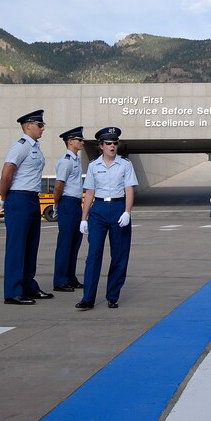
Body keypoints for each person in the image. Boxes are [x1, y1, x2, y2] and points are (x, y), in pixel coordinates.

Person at [77, 127, 139, 310]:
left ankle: (113, 295)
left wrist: (127, 212)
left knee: (119, 255)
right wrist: (84, 218)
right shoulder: (94, 166)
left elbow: (129, 189)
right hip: (99, 209)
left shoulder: (125, 164)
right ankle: (88, 298)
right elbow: (89, 192)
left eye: (115, 143)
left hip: (119, 207)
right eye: (109, 143)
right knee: (93, 255)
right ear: (101, 146)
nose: (113, 146)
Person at [0, 109, 54, 305]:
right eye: (39, 125)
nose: (42, 128)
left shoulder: (35, 147)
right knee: (17, 246)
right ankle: (13, 291)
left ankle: (28, 286)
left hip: (31, 198)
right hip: (18, 198)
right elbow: (7, 174)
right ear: (28, 126)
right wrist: (4, 199)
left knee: (31, 245)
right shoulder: (20, 146)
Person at [52, 126, 86, 292]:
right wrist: (56, 203)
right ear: (70, 141)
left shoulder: (75, 160)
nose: (82, 142)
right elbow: (59, 185)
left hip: (76, 203)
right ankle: (60, 280)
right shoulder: (66, 161)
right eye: (79, 140)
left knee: (74, 243)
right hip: (67, 203)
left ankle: (70, 278)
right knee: (65, 243)